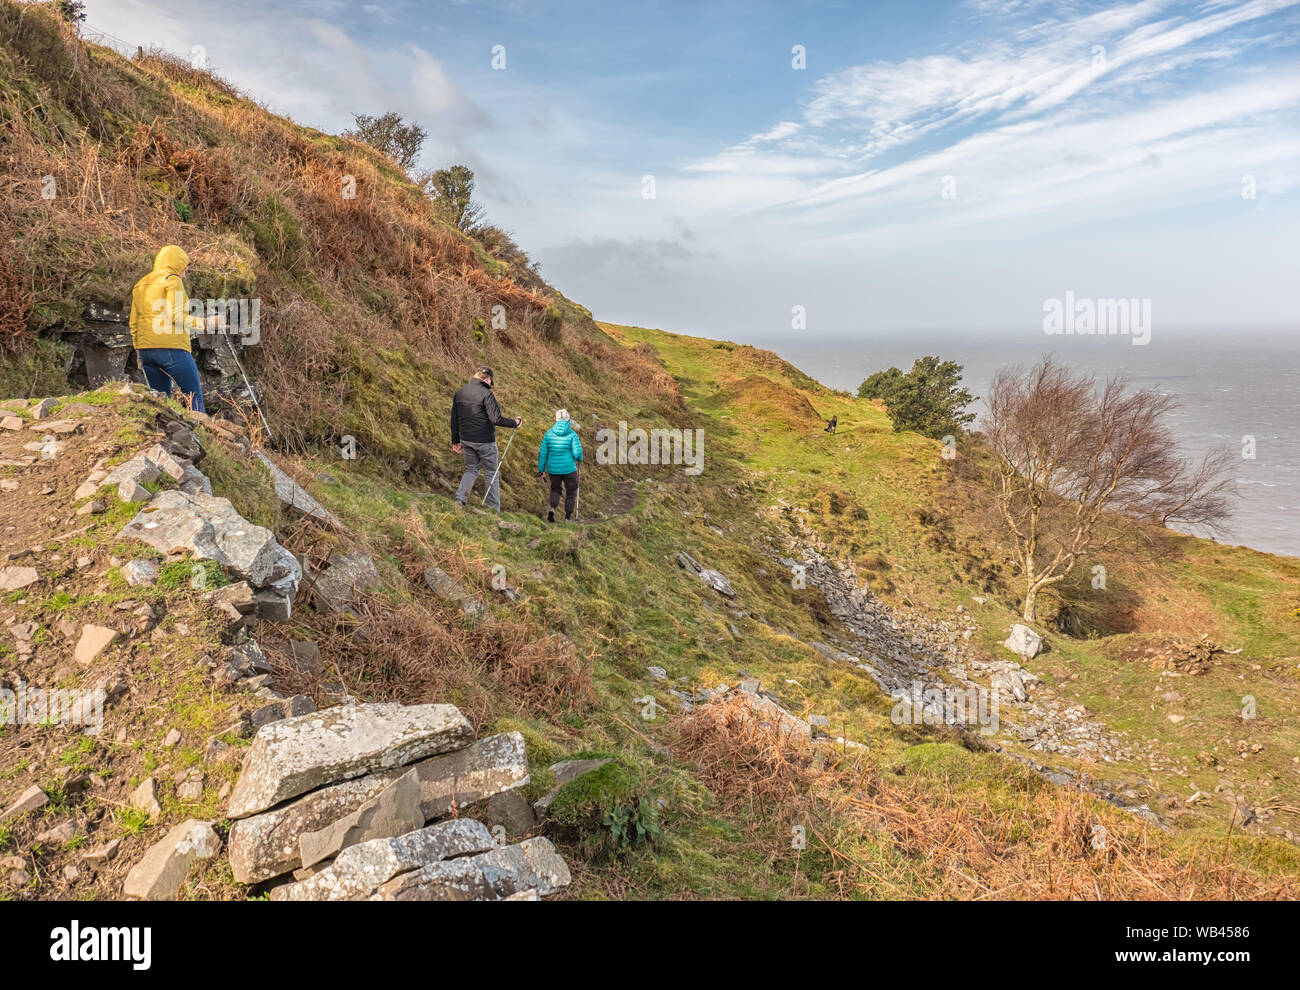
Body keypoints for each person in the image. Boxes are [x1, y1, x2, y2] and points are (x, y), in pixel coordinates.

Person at [128, 245, 221, 413]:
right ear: (175, 265)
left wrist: (138, 349)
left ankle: (164, 435)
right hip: (172, 349)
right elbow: (176, 317)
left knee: (162, 404)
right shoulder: (172, 280)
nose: (184, 274)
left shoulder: (140, 284)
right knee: (193, 398)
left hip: (146, 350)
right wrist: (207, 323)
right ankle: (202, 437)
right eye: (183, 269)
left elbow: (134, 321)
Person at [451, 367, 521, 511]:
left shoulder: (460, 392)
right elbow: (497, 419)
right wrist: (515, 423)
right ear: (488, 379)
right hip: (485, 442)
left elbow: (454, 419)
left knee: (471, 469)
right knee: (491, 473)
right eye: (491, 382)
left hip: (466, 439)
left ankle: (460, 499)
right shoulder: (486, 394)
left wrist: (455, 441)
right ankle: (493, 508)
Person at [537, 409, 583, 522]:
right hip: (569, 469)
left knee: (555, 490)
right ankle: (567, 518)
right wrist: (579, 459)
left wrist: (541, 469)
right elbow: (577, 453)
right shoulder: (572, 434)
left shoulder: (548, 434)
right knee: (571, 492)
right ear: (568, 420)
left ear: (556, 419)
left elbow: (543, 453)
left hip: (554, 469)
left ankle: (552, 508)